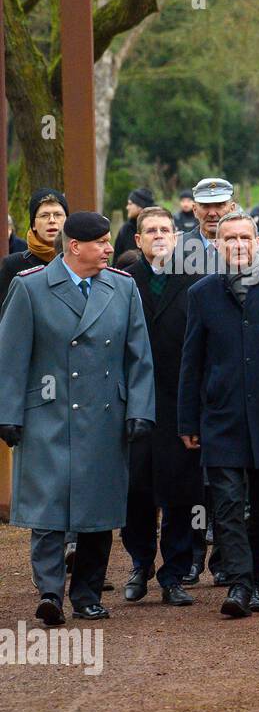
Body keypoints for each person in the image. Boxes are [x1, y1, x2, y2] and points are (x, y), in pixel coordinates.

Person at [0, 212, 155, 627]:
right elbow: (10, 357)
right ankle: (50, 591)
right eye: (102, 243)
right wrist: (7, 413)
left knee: (97, 511)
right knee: (48, 508)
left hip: (105, 414)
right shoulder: (30, 287)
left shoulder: (122, 289)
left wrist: (141, 409)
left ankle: (86, 594)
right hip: (48, 414)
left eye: (108, 241)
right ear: (75, 247)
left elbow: (139, 356)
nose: (110, 248)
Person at [178, 211, 259, 619]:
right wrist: (187, 421)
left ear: (257, 242)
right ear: (217, 245)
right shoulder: (201, 294)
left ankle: (257, 580)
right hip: (222, 417)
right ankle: (239, 583)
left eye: (244, 238)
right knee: (228, 505)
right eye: (229, 238)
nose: (237, 245)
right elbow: (191, 362)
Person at [120, 208, 203, 607]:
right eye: (150, 230)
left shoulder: (195, 283)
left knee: (180, 491)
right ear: (137, 240)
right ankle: (139, 564)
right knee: (135, 490)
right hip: (133, 402)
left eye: (165, 230)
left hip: (179, 401)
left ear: (177, 237)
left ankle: (175, 573)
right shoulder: (122, 283)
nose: (158, 235)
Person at [0, 189, 68, 302]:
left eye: (58, 214)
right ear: (33, 224)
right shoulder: (13, 265)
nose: (52, 220)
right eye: (44, 215)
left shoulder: (77, 261)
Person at [113, 188, 155, 260]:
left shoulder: (157, 228)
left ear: (140, 206)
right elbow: (116, 262)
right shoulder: (126, 230)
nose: (127, 207)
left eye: (130, 204)